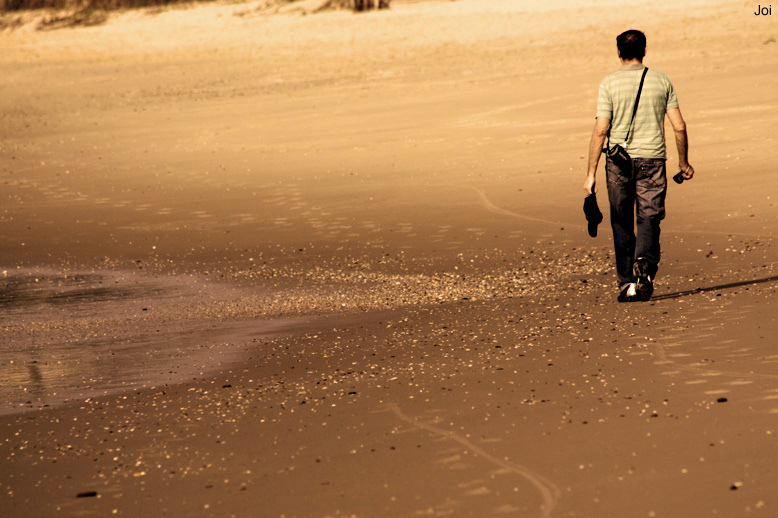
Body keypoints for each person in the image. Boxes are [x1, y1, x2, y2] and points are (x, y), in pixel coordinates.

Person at [583, 30, 695, 302]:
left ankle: (627, 284)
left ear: (618, 52)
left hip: (617, 162)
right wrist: (683, 163)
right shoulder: (661, 81)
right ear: (644, 50)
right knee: (649, 216)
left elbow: (601, 130)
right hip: (653, 160)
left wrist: (590, 175)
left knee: (621, 220)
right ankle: (644, 260)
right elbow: (679, 126)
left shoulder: (609, 83)